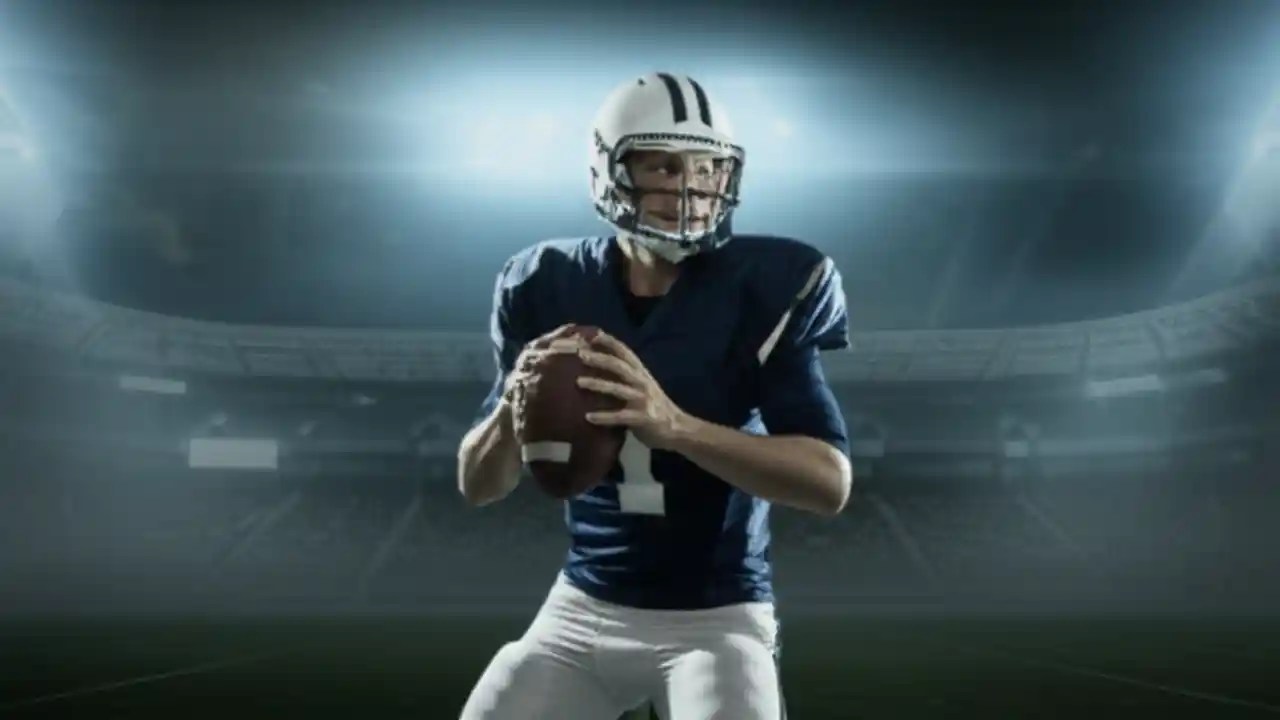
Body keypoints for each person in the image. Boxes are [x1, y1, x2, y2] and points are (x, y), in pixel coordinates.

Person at [456, 72, 853, 720]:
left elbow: (828, 484)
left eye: (707, 167)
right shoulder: (544, 284)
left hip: (716, 621)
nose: (690, 188)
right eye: (663, 167)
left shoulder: (766, 287)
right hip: (579, 612)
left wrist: (677, 427)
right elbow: (479, 485)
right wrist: (510, 410)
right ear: (608, 172)